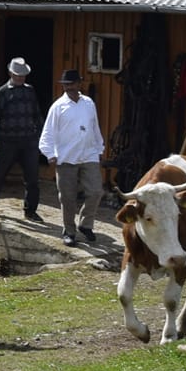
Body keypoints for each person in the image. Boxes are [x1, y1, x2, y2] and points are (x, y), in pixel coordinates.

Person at [39, 68, 105, 245]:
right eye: (65, 84)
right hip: (66, 157)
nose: (68, 87)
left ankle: (86, 224)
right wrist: (49, 153)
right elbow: (47, 133)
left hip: (89, 154)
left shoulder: (89, 103)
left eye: (71, 84)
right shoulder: (58, 106)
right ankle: (69, 231)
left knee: (96, 191)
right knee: (68, 197)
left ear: (79, 84)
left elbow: (95, 127)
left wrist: (99, 148)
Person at [0, 57, 44, 223]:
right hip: (7, 142)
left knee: (32, 179)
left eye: (23, 75)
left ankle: (31, 211)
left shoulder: (30, 91)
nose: (21, 78)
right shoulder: (3, 92)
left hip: (28, 141)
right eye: (18, 75)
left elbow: (37, 115)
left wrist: (42, 136)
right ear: (11, 74)